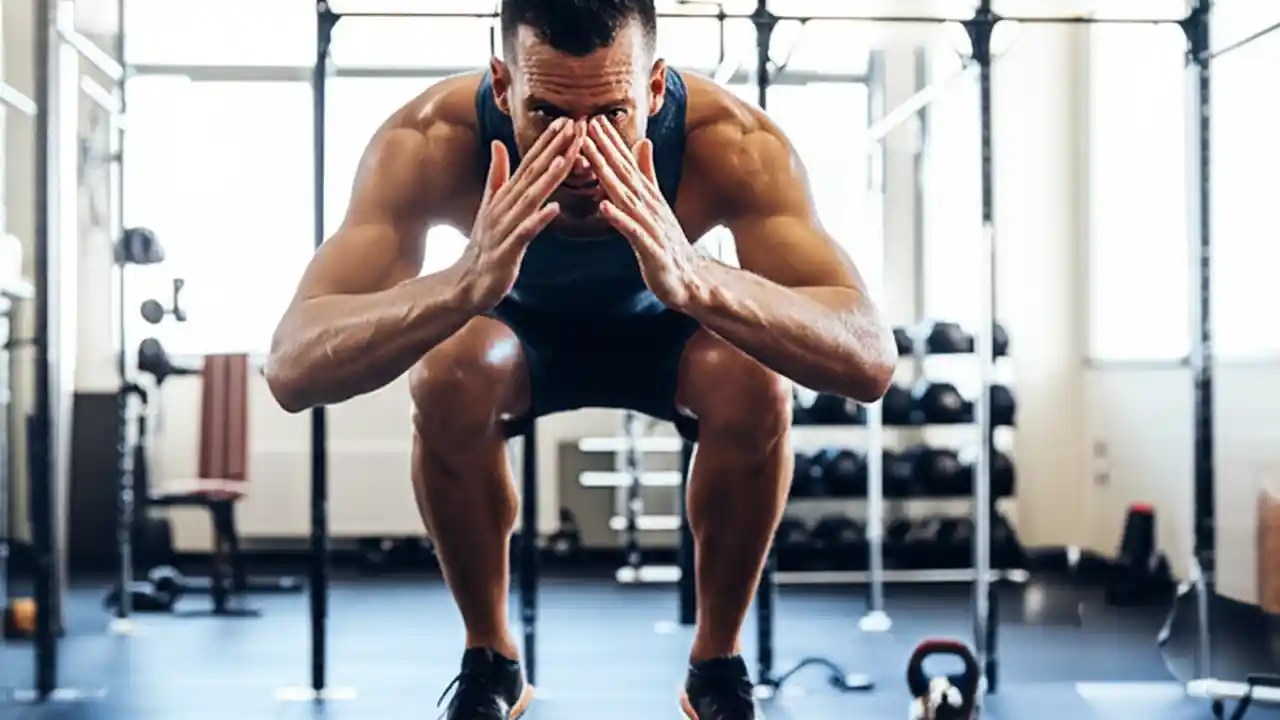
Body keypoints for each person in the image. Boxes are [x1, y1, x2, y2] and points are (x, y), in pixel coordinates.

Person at [266, 1, 895, 717]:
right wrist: (462, 284)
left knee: (751, 377)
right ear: (503, 85)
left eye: (613, 114)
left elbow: (870, 359)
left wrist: (694, 277)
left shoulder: (733, 145)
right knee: (448, 369)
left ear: (655, 89)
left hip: (671, 334)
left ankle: (716, 662)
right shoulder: (430, 141)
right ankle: (491, 658)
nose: (582, 147)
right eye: (548, 115)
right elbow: (292, 368)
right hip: (513, 339)